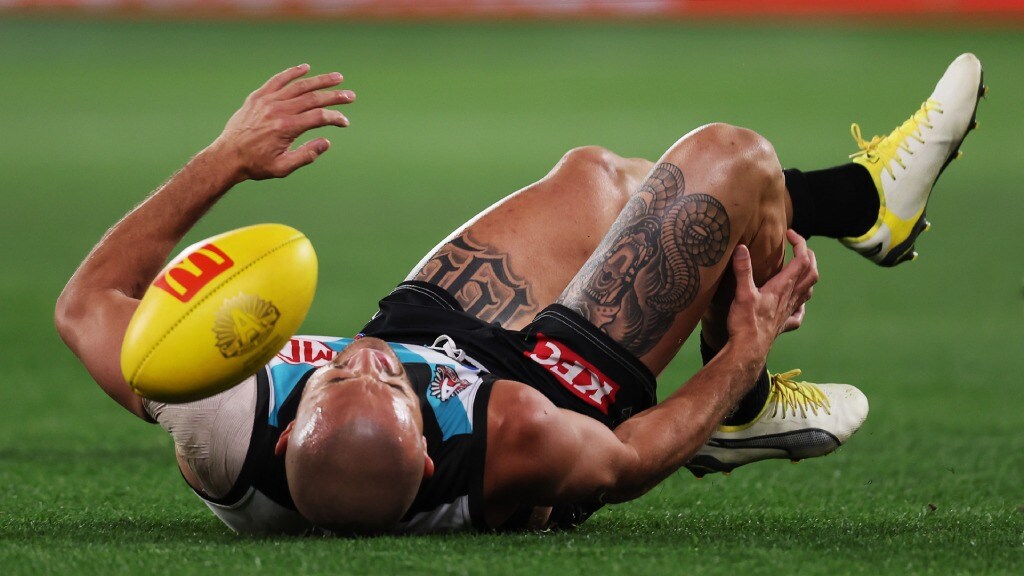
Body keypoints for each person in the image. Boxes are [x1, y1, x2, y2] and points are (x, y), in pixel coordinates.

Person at [55, 54, 985, 535]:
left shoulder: (217, 419)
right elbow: (624, 461)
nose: (362, 360)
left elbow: (85, 302)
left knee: (594, 176)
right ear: (427, 452)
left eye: (337, 373)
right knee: (729, 162)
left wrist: (227, 158)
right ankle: (844, 241)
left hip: (436, 332)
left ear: (290, 423)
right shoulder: (516, 441)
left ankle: (859, 215)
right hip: (544, 385)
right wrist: (742, 353)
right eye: (383, 385)